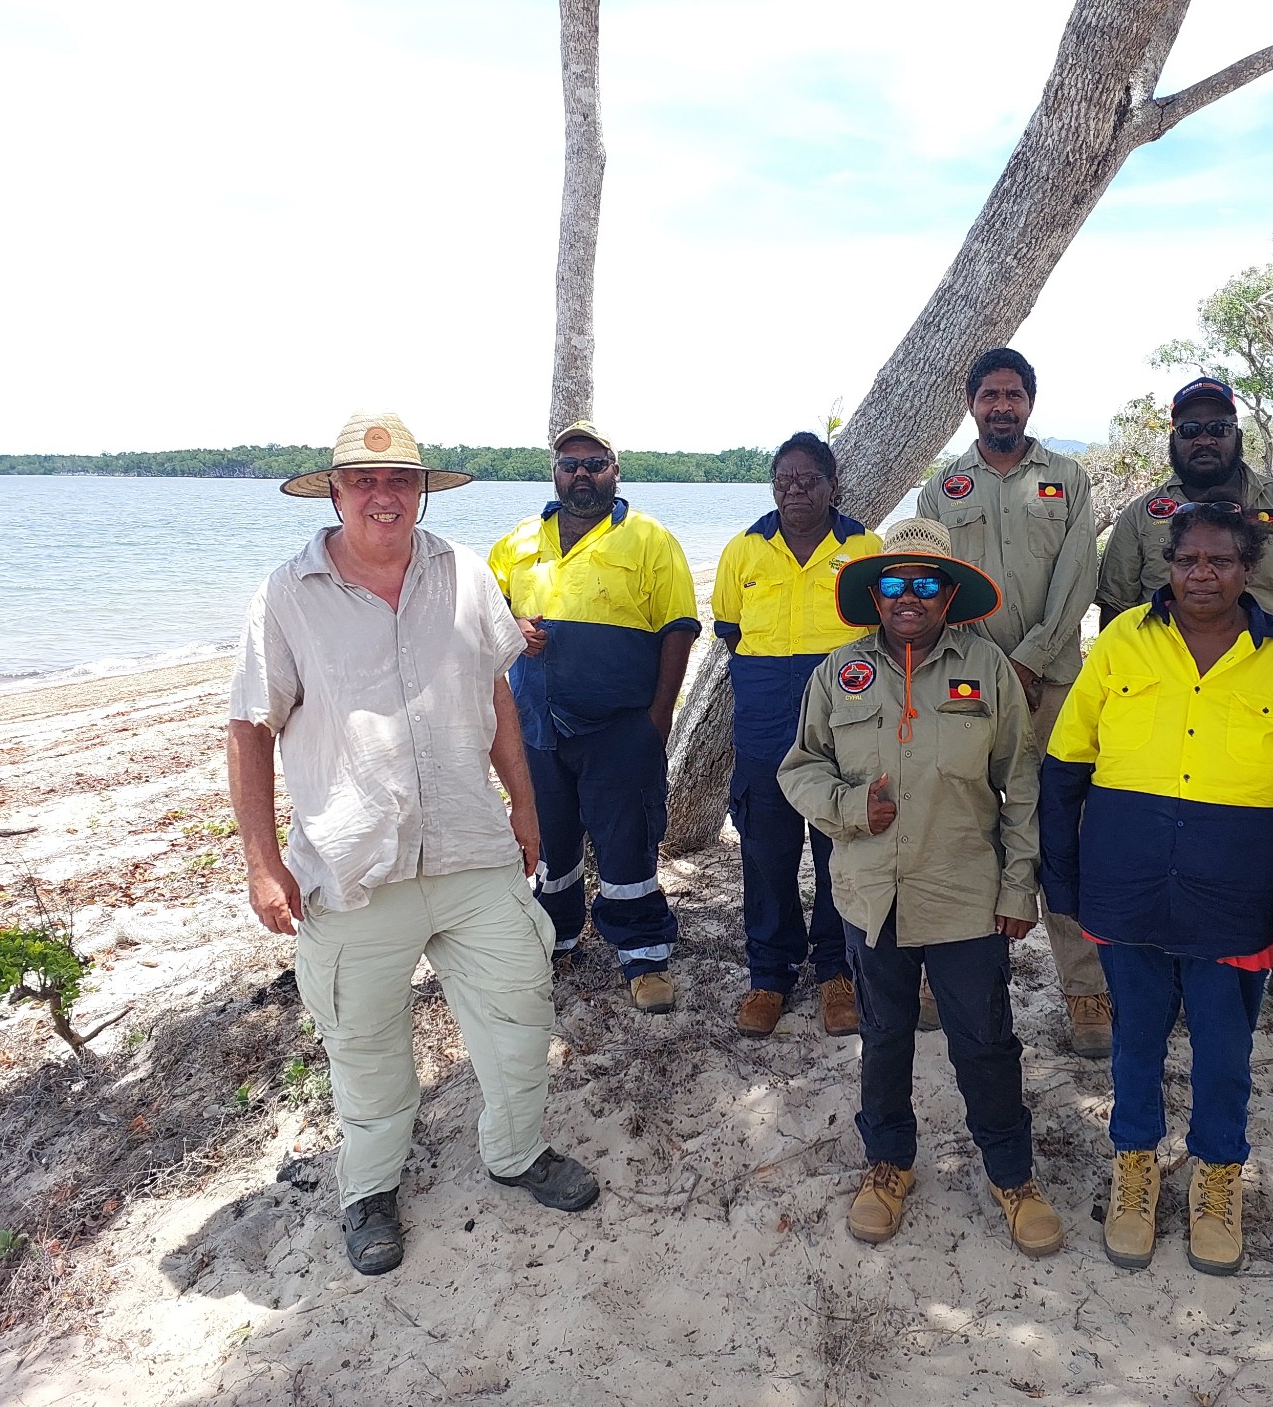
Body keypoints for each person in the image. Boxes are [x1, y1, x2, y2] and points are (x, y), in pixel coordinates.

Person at [227, 411, 599, 1278]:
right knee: (366, 1047)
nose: (384, 495)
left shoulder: (466, 573)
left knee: (519, 1017)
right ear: (335, 491)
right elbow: (250, 729)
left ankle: (516, 1153)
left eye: (401, 480)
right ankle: (370, 1192)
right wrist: (260, 863)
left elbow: (499, 695)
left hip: (472, 850)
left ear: (422, 489)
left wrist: (526, 806)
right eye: (365, 480)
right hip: (356, 867)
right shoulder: (288, 593)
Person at [1042, 503, 1273, 1275]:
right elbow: (1066, 766)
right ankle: (1135, 1166)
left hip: (1235, 898)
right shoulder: (1122, 643)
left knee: (1225, 1054)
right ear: (1168, 565)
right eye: (1189, 559)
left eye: (1222, 561)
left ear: (1248, 569)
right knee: (1134, 1044)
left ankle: (1217, 1177)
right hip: (1129, 887)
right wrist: (1061, 878)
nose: (1204, 573)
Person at [779, 518, 1063, 1259]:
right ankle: (888, 1164)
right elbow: (799, 769)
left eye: (926, 583)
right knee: (884, 1036)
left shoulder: (991, 670)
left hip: (966, 893)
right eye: (895, 583)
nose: (909, 597)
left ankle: (1012, 1175)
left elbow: (1021, 782)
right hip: (872, 895)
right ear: (875, 594)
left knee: (986, 1041)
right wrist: (847, 808)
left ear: (948, 596)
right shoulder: (837, 673)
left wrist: (1017, 886)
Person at [1097, 376, 1273, 1041]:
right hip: (1169, 705)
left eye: (1217, 426)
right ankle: (1182, 971)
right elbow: (1113, 609)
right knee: (1181, 834)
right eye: (1191, 429)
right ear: (1174, 439)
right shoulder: (1142, 517)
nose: (1205, 439)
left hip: (1265, 703)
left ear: (1237, 433)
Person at [915, 347, 1109, 1058]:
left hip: (1054, 684)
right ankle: (945, 976)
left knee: (1061, 829)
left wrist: (1026, 661)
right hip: (965, 684)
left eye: (1014, 394)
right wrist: (991, 669)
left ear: (1030, 402)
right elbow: (930, 581)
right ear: (971, 403)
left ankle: (1085, 988)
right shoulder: (945, 489)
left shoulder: (1067, 478)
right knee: (962, 820)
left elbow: (1077, 574)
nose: (1003, 406)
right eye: (990, 395)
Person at [486, 421, 701, 1014]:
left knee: (627, 841)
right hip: (538, 728)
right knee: (551, 843)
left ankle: (643, 954)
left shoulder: (651, 540)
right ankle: (560, 935)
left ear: (615, 470)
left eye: (594, 462)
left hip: (620, 728)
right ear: (555, 472)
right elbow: (483, 625)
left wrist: (656, 723)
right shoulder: (516, 544)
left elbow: (679, 632)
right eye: (570, 463)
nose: (582, 474)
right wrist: (513, 632)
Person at [712, 432, 882, 1038]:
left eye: (808, 479)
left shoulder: (865, 549)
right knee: (766, 852)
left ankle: (838, 972)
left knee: (842, 849)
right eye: (783, 479)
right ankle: (770, 974)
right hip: (764, 726)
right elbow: (729, 629)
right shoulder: (743, 551)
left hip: (847, 728)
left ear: (833, 484)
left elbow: (884, 636)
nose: (794, 490)